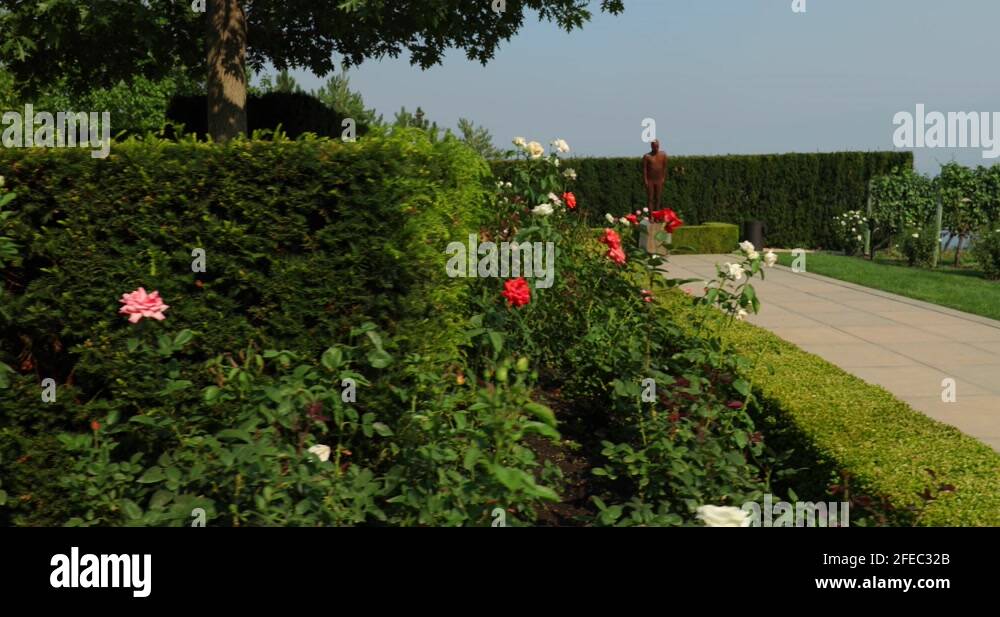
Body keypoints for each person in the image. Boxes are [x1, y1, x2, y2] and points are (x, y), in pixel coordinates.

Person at [643, 139, 669, 210]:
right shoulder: (647, 156)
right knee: (650, 198)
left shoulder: (663, 155)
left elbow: (665, 167)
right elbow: (644, 169)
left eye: (657, 146)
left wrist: (663, 178)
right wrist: (645, 180)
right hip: (650, 180)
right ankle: (651, 216)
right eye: (655, 146)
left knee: (658, 198)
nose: (656, 148)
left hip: (659, 179)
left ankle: (657, 214)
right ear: (651, 146)